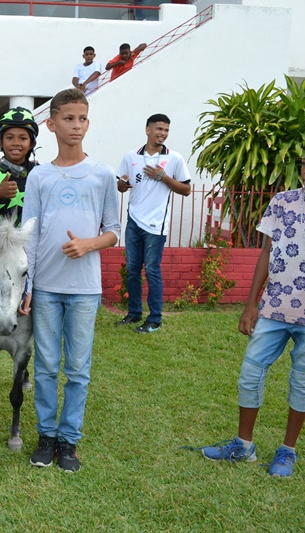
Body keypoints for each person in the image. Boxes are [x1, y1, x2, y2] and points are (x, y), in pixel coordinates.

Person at [22, 88, 120, 472]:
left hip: (84, 289)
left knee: (78, 369)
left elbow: (113, 230)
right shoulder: (40, 177)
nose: (76, 126)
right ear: (52, 124)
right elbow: (30, 232)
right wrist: (27, 285)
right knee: (46, 365)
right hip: (46, 286)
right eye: (68, 118)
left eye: (82, 119)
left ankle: (69, 441)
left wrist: (88, 244)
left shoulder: (102, 175)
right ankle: (46, 435)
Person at [200, 177, 305, 478]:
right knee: (250, 373)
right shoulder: (282, 202)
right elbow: (267, 254)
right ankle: (243, 445)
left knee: (301, 382)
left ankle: (288, 450)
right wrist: (251, 303)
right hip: (274, 307)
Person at [115, 114, 192, 333]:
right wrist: (122, 184)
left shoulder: (174, 158)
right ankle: (134, 313)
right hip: (134, 222)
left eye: (166, 130)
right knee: (132, 270)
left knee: (152, 270)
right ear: (147, 130)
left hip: (156, 225)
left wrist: (163, 177)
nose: (163, 134)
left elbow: (186, 190)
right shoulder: (131, 156)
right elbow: (121, 185)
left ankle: (155, 319)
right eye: (159, 129)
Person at [0, 106, 39, 226]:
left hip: (31, 243)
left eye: (23, 138)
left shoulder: (41, 173)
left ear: (31, 144)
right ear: (1, 142)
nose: (16, 143)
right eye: (9, 138)